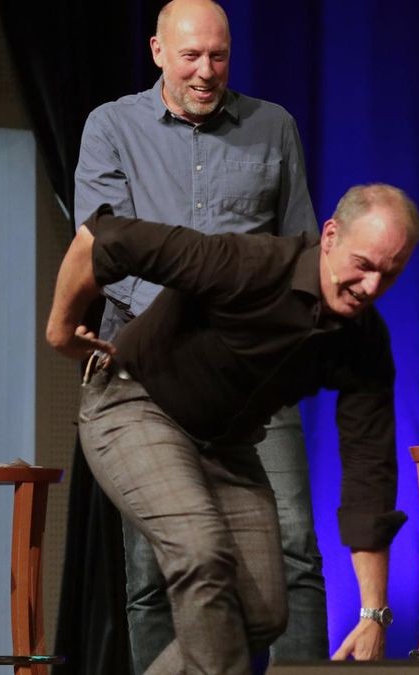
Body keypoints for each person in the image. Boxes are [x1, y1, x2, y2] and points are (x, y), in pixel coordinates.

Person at [47, 183, 418, 674]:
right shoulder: (248, 264)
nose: (370, 287)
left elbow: (369, 472)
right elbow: (102, 238)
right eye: (364, 265)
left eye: (388, 276)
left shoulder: (364, 342)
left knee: (259, 614)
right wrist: (60, 330)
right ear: (330, 236)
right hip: (135, 405)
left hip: (226, 445)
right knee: (202, 555)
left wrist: (373, 614)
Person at [72, 0, 326, 668]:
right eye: (190, 56)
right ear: (157, 51)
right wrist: (196, 323)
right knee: (157, 568)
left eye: (218, 55)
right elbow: (104, 249)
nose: (205, 71)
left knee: (293, 548)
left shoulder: (272, 127)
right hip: (146, 376)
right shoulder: (111, 127)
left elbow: (301, 248)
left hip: (253, 377)